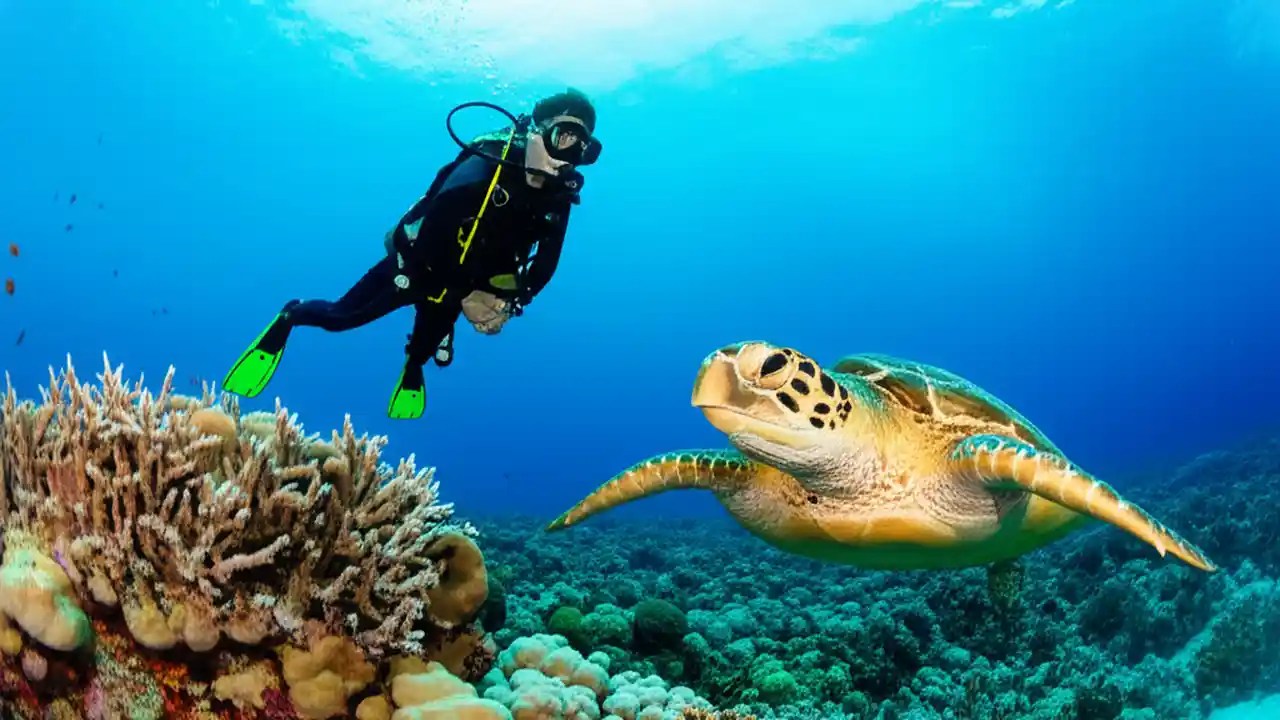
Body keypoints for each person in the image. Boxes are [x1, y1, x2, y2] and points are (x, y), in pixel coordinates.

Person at [221, 88, 602, 419]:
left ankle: (416, 361)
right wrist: (473, 292)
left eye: (583, 149)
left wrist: (510, 301)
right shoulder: (490, 160)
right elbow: (437, 220)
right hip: (413, 268)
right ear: (536, 131)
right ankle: (290, 316)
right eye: (564, 138)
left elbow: (546, 265)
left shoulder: (558, 197)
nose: (570, 157)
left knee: (423, 353)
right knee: (341, 318)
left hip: (459, 288)